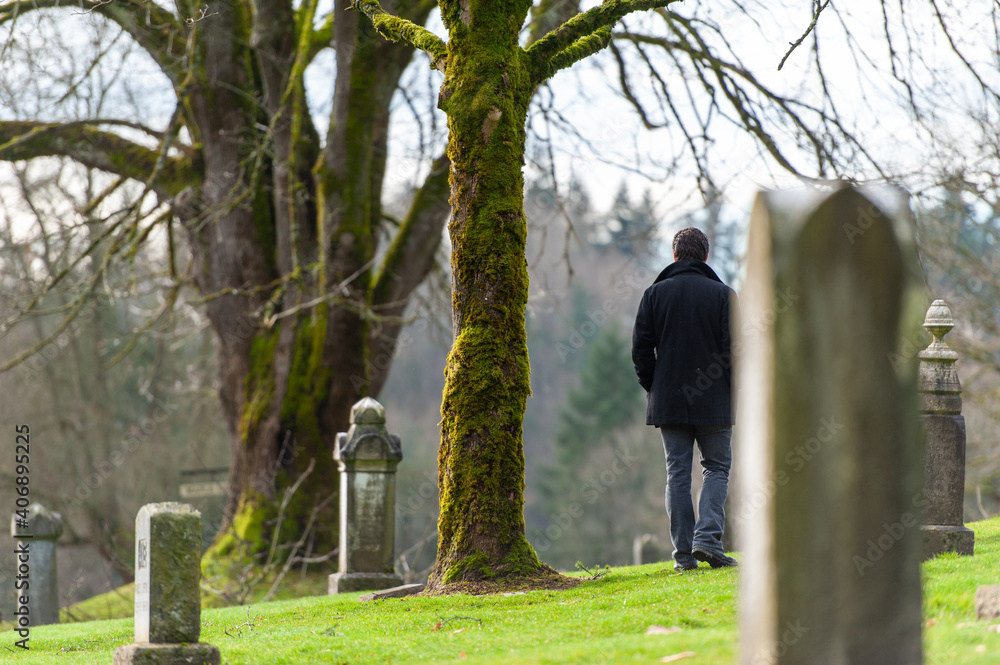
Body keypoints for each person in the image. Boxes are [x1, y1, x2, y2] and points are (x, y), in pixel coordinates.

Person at [631, 227, 738, 571]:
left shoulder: (654, 295)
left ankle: (684, 556)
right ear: (706, 257)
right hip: (715, 401)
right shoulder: (723, 295)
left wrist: (655, 387)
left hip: (669, 400)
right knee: (717, 468)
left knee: (677, 473)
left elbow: (640, 350)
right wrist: (733, 392)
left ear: (674, 256)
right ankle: (708, 539)